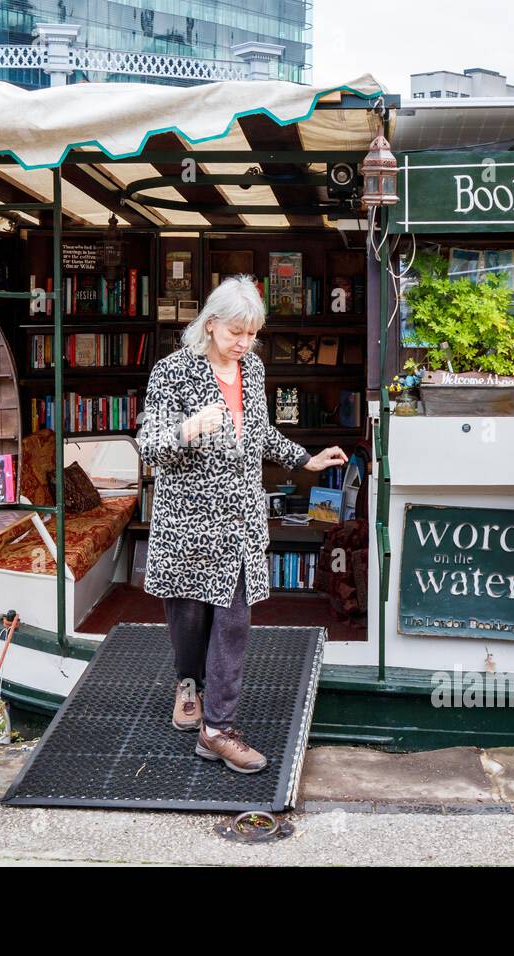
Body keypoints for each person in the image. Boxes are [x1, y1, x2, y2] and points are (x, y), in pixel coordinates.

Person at [135, 276, 348, 773]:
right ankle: (188, 682)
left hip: (240, 521)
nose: (245, 343)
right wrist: (189, 429)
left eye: (252, 334)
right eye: (236, 332)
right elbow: (149, 446)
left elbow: (260, 433)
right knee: (189, 617)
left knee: (233, 622)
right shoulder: (172, 372)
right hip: (189, 521)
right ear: (210, 325)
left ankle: (217, 728)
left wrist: (305, 460)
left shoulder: (252, 369)